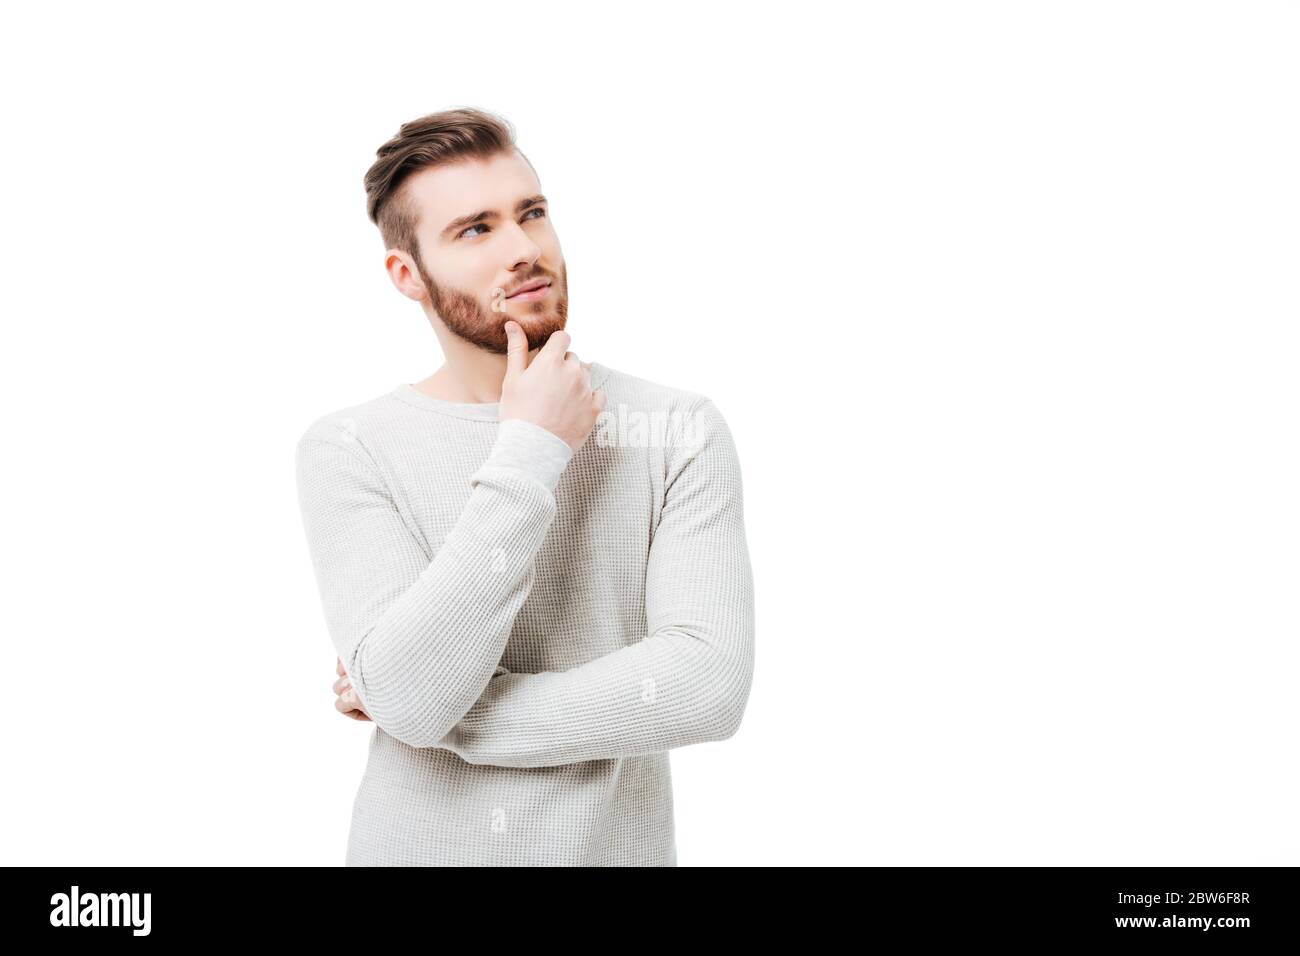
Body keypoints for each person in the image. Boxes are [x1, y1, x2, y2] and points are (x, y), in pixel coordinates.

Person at [294, 107, 755, 866]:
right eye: (476, 229)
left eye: (531, 213)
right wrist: (531, 450)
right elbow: (409, 694)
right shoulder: (349, 448)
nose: (524, 249)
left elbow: (706, 684)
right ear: (408, 275)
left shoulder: (676, 428)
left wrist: (447, 718)